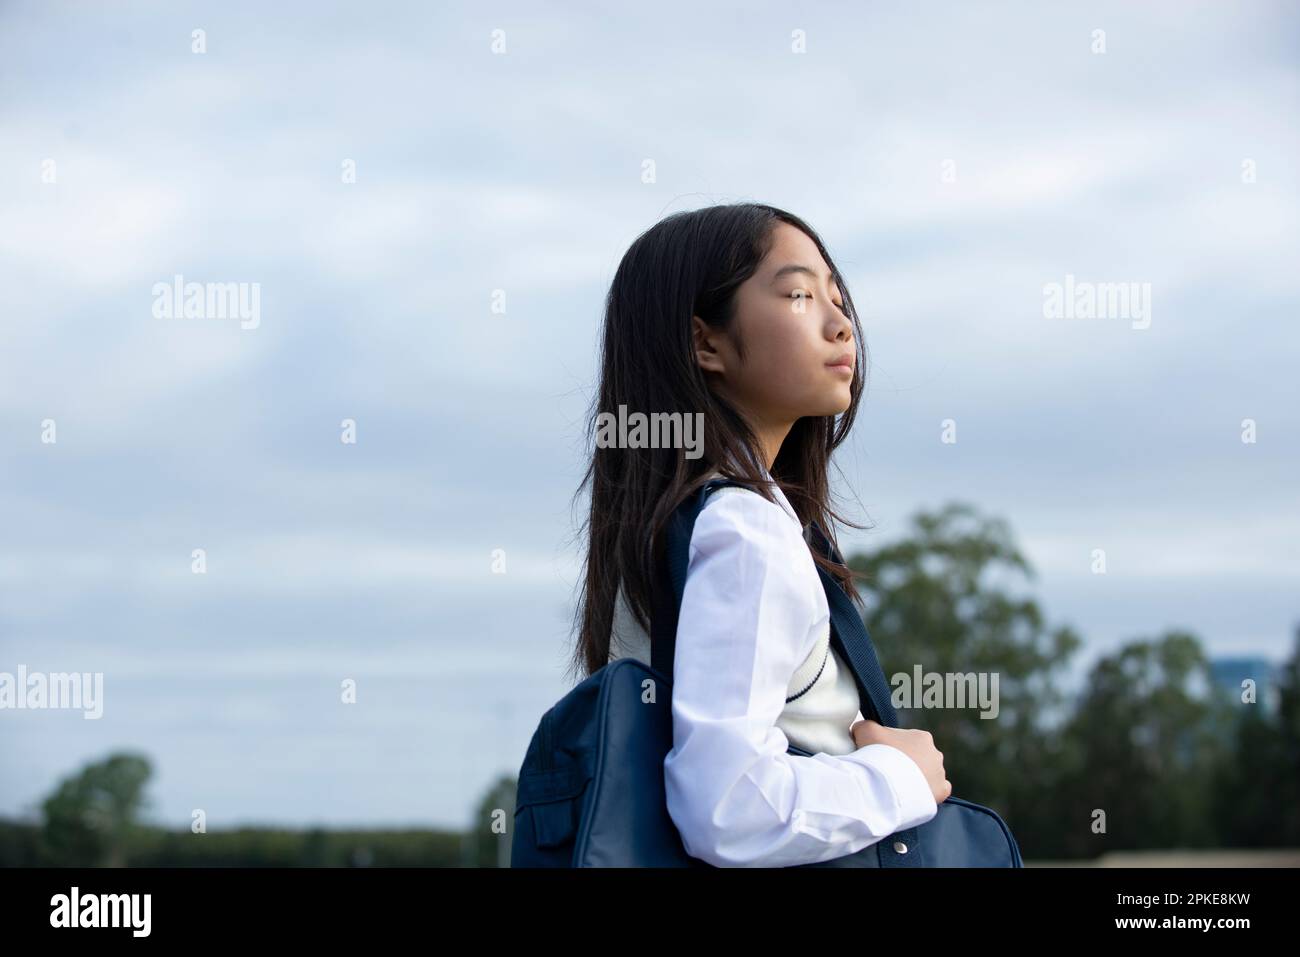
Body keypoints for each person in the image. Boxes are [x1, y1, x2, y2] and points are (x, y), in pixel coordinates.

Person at [568, 202, 951, 867]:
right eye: (800, 294)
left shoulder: (665, 532)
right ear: (705, 343)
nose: (842, 324)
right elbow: (728, 807)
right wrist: (903, 778)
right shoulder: (745, 530)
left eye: (839, 298)